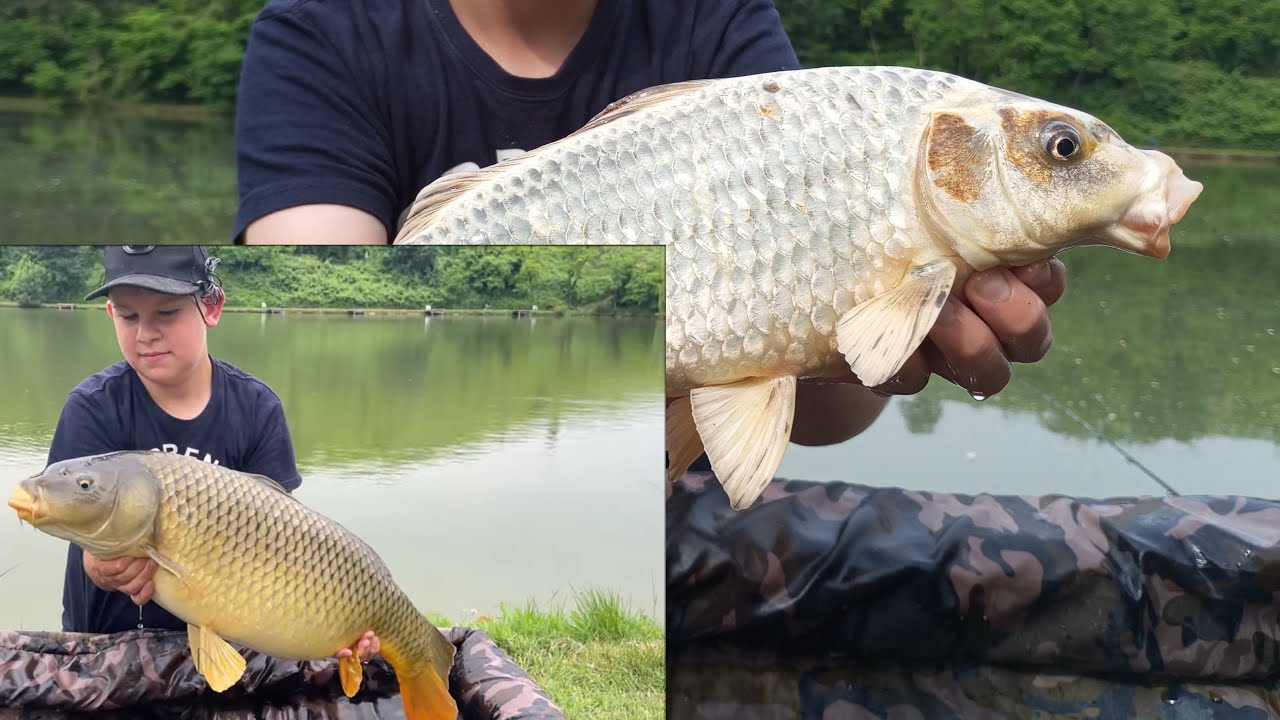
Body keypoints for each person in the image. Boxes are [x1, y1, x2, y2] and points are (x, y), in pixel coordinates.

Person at [232, 0, 1066, 443]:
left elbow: (824, 423)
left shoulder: (718, 20)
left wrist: (866, 342)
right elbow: (316, 355)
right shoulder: (319, 32)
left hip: (659, 504)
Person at [48, 245, 379, 664]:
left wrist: (326, 624)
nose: (145, 332)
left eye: (166, 313)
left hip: (223, 641)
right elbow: (77, 521)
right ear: (111, 315)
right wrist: (98, 565)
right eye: (129, 316)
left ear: (212, 306)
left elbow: (284, 548)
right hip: (105, 650)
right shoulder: (93, 406)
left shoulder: (257, 409)